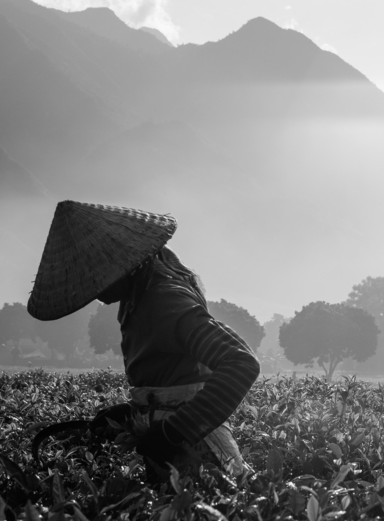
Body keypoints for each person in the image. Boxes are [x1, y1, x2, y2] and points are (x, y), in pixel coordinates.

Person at [27, 200, 260, 479]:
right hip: (170, 449)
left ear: (123, 265)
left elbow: (240, 362)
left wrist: (174, 432)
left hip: (198, 451)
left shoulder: (165, 300)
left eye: (98, 279)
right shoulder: (135, 300)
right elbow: (172, 379)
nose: (96, 292)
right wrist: (128, 413)